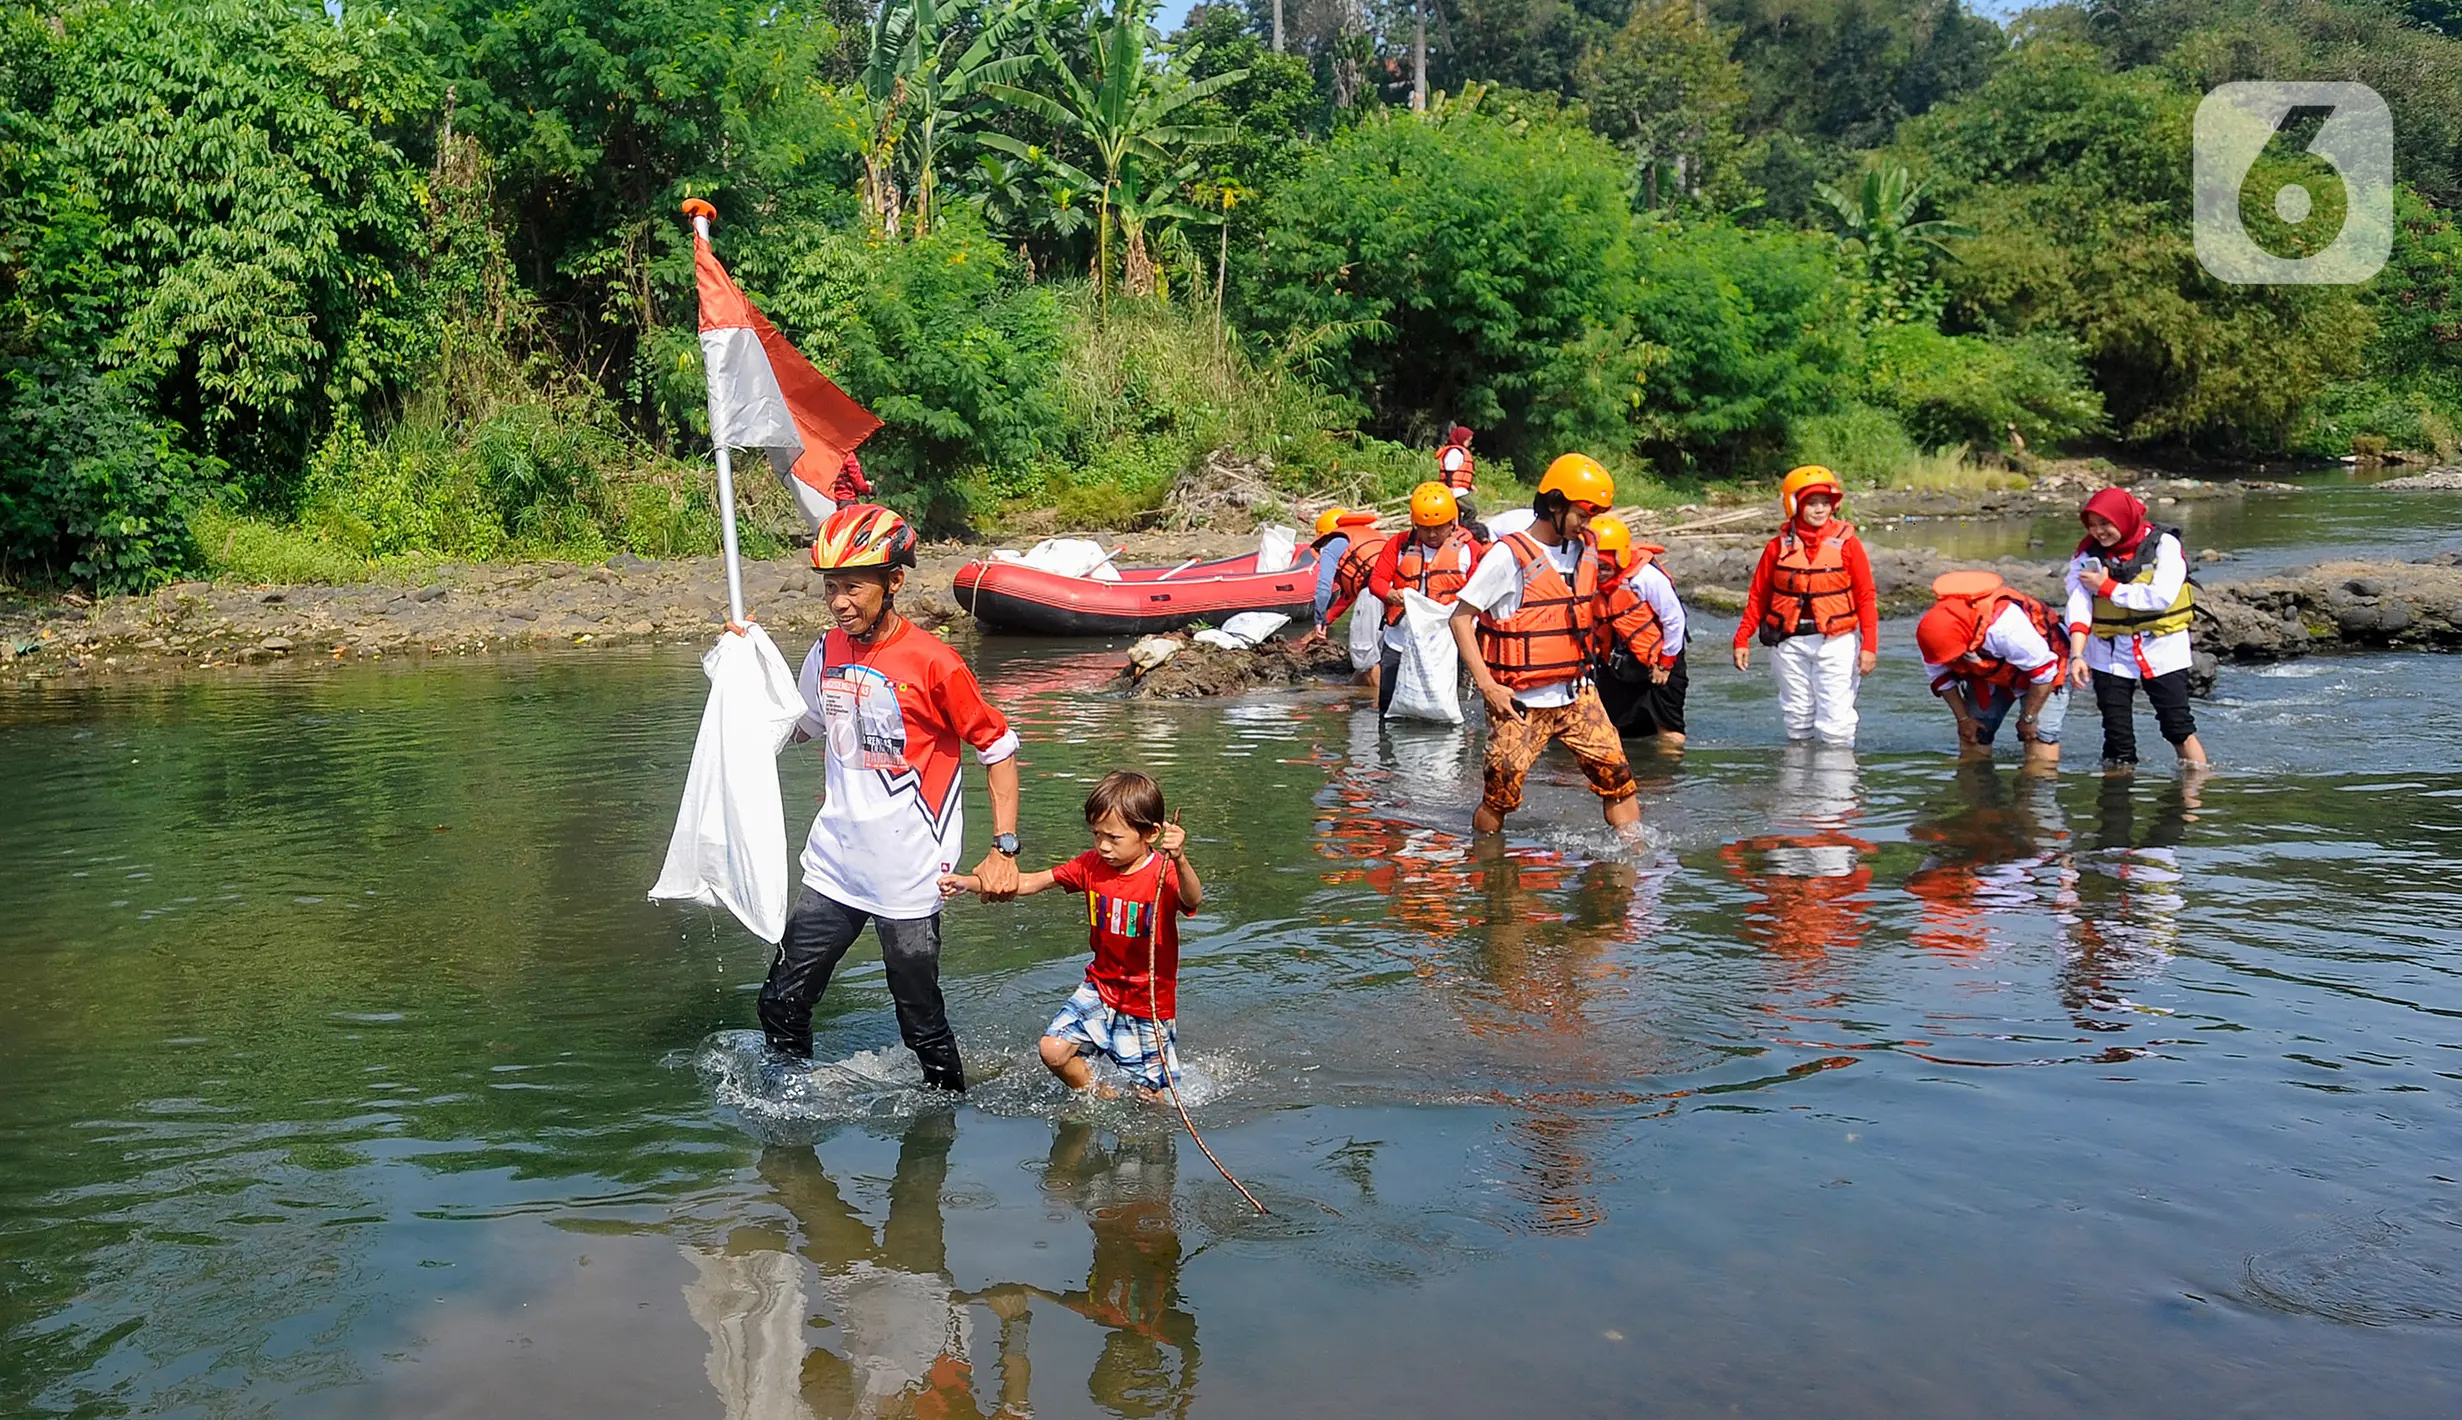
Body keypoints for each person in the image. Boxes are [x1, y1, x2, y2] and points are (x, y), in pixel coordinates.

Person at [758, 503, 1023, 1092]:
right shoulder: (824, 652)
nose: (839, 602)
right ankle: (789, 1110)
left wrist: (1003, 848)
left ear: (893, 582)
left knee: (919, 1023)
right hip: (835, 862)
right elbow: (799, 728)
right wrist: (742, 670)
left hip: (908, 870)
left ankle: (944, 1126)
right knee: (781, 1002)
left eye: (852, 586)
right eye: (831, 588)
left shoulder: (936, 662)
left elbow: (998, 746)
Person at [941, 770, 1201, 1098]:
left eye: (1114, 838)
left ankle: (1151, 1117)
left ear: (1149, 833)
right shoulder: (1092, 865)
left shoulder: (1162, 873)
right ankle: (1102, 1094)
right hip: (1100, 988)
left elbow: (1192, 899)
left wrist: (1179, 859)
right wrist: (970, 883)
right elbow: (1032, 881)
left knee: (1149, 1097)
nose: (1103, 846)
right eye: (1096, 834)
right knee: (1053, 1050)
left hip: (1146, 1003)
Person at [1449, 453, 1641, 838]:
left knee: (1618, 778)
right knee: (1499, 795)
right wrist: (1487, 686)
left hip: (1576, 697)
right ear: (1555, 504)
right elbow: (1459, 618)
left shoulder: (1585, 548)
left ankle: (1633, 859)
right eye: (1583, 514)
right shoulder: (1508, 556)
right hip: (1520, 703)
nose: (1589, 524)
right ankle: (1488, 870)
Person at [1732, 465, 1879, 746]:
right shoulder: (1777, 547)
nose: (1820, 509)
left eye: (1825, 502)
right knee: (1797, 717)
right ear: (1794, 504)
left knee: (1836, 724)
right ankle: (1798, 788)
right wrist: (1742, 638)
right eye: (1812, 502)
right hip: (1788, 643)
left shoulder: (1849, 545)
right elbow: (1759, 595)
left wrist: (1869, 646)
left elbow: (1866, 597)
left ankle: (1835, 788)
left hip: (1837, 642)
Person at [2065, 487, 2209, 769]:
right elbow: (2078, 603)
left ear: (2124, 517)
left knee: (2177, 727)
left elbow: (2161, 596)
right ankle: (2117, 805)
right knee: (2116, 737)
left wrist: (2106, 587)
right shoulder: (2086, 554)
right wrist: (2077, 655)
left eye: (2105, 523)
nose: (2098, 532)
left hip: (2162, 646)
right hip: (2108, 652)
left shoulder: (2164, 545)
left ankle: (2193, 801)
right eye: (2092, 526)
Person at [1915, 570, 2070, 769]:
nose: (1952, 661)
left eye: (1955, 656)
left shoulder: (2004, 628)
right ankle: (1976, 793)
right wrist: (1963, 719)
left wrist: (2029, 717)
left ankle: (2037, 795)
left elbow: (2045, 672)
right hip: (1991, 674)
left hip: (2046, 666)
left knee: (2039, 735)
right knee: (1974, 734)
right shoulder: (1931, 637)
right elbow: (1941, 678)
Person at [1366, 481, 1483, 713]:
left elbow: (1482, 594)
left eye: (1438, 528)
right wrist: (1391, 594)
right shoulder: (1399, 544)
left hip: (1448, 643)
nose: (1431, 534)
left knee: (1450, 703)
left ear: (1453, 522)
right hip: (1400, 639)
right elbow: (1376, 581)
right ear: (1414, 523)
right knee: (1387, 705)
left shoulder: (1471, 550)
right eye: (1424, 527)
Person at [1588, 512, 1689, 747]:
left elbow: (1674, 620)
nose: (1599, 572)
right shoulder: (1585, 579)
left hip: (1660, 660)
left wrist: (1666, 663)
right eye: (1594, 564)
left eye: (1604, 566)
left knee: (1669, 730)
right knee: (1611, 727)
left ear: (1619, 558)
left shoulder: (1647, 579)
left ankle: (1667, 778)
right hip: (1616, 660)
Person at [1308, 506, 1390, 683]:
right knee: (1383, 655)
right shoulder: (1372, 535)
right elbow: (1349, 596)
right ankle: (1354, 689)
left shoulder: (1334, 544)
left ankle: (1377, 707)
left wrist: (1318, 619)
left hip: (1374, 594)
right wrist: (1326, 621)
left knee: (1367, 660)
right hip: (1397, 591)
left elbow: (1323, 587)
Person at [1435, 424, 1479, 531]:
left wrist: (1470, 485)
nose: (1470, 443)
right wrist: (1450, 487)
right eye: (1468, 440)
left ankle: (1458, 530)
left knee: (1458, 513)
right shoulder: (1455, 452)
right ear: (1461, 439)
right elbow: (1449, 471)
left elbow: (1458, 473)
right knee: (1471, 510)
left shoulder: (1459, 452)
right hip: (1455, 491)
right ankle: (1464, 530)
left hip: (1459, 489)